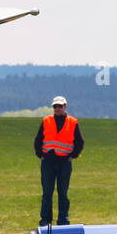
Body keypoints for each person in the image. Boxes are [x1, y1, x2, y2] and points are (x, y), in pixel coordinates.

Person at [34, 95, 83, 226]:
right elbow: (38, 140)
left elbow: (80, 142)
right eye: (55, 106)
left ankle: (63, 219)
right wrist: (40, 155)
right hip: (48, 162)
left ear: (65, 107)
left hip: (64, 163)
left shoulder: (73, 122)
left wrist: (73, 155)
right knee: (47, 193)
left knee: (63, 193)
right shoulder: (46, 121)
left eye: (60, 106)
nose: (57, 109)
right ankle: (45, 220)